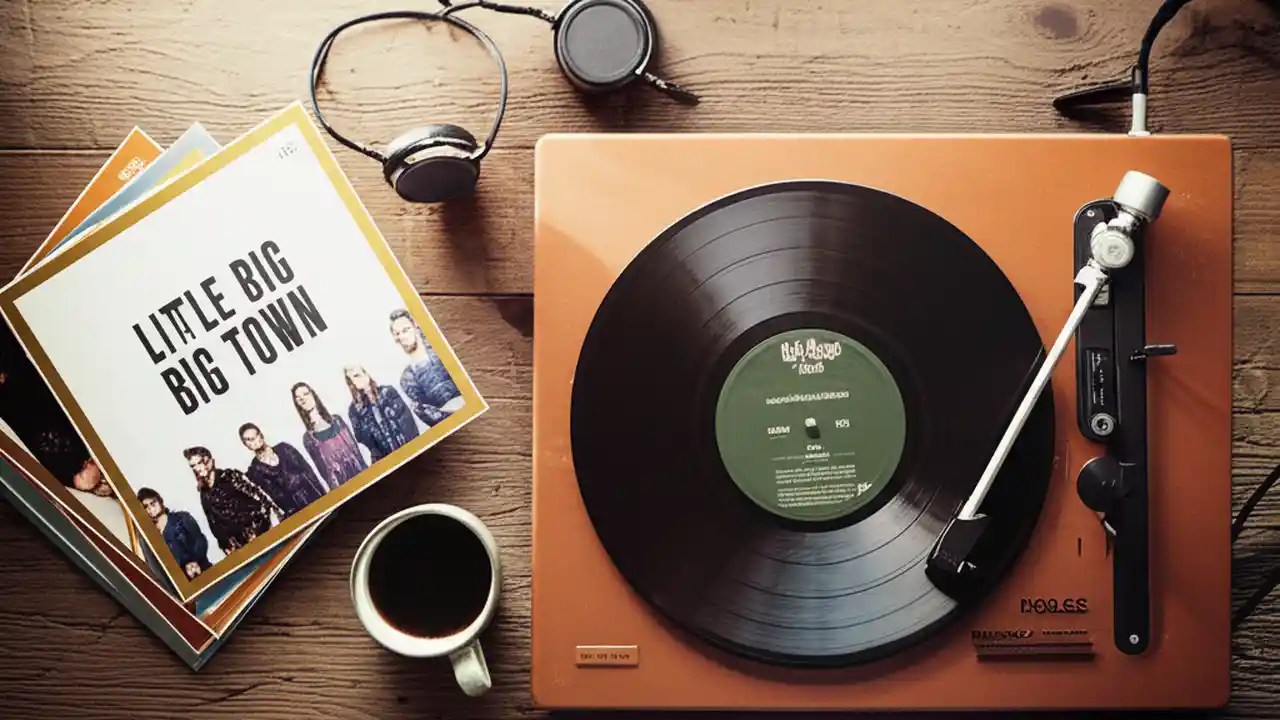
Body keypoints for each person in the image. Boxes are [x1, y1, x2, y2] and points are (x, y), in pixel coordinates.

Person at [186, 446, 281, 555]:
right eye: (193, 466)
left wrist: (276, 525)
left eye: (200, 462)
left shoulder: (229, 476)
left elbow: (261, 497)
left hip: (264, 533)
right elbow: (214, 525)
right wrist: (226, 547)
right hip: (243, 548)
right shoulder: (204, 493)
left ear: (210, 461)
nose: (197, 468)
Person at [390, 309, 464, 427]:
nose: (402, 337)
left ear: (415, 326)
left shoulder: (442, 350)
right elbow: (429, 415)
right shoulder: (407, 379)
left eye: (405, 330)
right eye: (397, 333)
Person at [239, 422, 326, 516]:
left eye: (255, 435)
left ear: (261, 435)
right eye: (249, 439)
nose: (254, 440)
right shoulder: (255, 470)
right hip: (296, 511)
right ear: (245, 444)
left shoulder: (284, 448)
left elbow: (309, 472)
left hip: (314, 496)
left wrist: (323, 494)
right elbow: (275, 496)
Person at [292, 382, 366, 491]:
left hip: (362, 477)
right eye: (299, 398)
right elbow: (325, 474)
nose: (304, 399)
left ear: (313, 394)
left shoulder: (337, 421)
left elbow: (357, 452)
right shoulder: (308, 439)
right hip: (343, 489)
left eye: (306, 394)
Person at [344, 364, 419, 463]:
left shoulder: (388, 392)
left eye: (357, 375)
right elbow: (361, 438)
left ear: (366, 373)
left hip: (408, 448)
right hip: (385, 459)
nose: (356, 380)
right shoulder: (354, 410)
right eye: (351, 380)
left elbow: (408, 422)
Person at [137, 487, 210, 578]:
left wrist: (194, 561)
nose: (150, 508)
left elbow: (200, 540)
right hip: (180, 581)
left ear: (159, 501)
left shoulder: (182, 518)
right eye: (146, 507)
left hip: (202, 570)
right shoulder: (149, 537)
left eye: (153, 503)